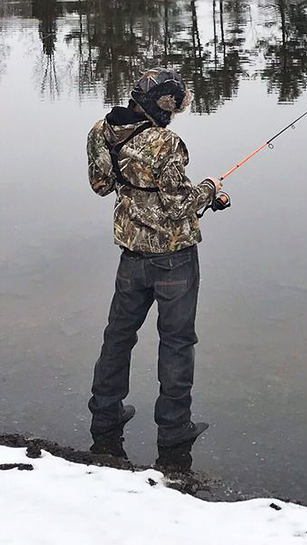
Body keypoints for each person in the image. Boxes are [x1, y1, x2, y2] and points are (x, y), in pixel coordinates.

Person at [86, 67, 229, 459]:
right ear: (163, 107)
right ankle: (173, 428)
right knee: (177, 341)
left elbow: (101, 186)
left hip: (131, 255)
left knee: (118, 336)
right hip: (174, 259)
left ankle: (105, 416)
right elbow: (179, 205)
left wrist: (135, 183)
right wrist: (211, 189)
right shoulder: (166, 144)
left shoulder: (102, 130)